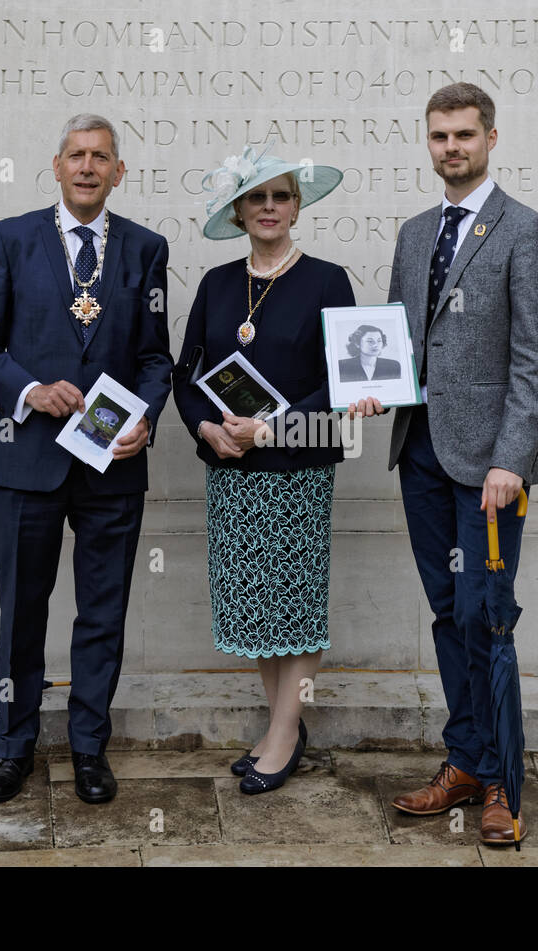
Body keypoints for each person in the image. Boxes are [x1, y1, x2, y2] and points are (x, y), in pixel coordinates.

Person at [354, 83, 538, 845]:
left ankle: (505, 782)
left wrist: (511, 458)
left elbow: (534, 362)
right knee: (448, 613)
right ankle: (465, 761)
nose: (452, 147)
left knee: (489, 618)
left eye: (465, 135)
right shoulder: (414, 234)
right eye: (440, 136)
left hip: (490, 471)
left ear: (491, 139)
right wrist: (374, 393)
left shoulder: (527, 231)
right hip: (421, 457)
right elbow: (401, 343)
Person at [0, 114, 173, 805]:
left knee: (102, 614)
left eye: (100, 157)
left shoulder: (146, 249)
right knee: (22, 611)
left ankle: (88, 749)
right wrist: (31, 391)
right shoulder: (11, 239)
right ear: (56, 167)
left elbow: (154, 359)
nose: (87, 166)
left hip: (112, 467)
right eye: (76, 156)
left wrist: (141, 418)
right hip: (25, 464)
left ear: (118, 172)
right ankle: (13, 748)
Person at [173, 146, 354, 794]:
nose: (270, 207)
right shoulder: (218, 285)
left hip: (298, 466)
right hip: (233, 470)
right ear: (239, 211)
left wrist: (270, 427)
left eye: (281, 196)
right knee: (256, 605)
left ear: (297, 206)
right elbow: (186, 376)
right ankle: (284, 724)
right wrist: (206, 427)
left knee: (296, 607)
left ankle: (284, 732)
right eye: (257, 198)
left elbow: (344, 384)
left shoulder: (328, 280)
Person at [338, 325, 403, 382]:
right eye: (370, 341)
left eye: (379, 341)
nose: (375, 345)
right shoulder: (342, 366)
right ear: (357, 343)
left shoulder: (393, 366)